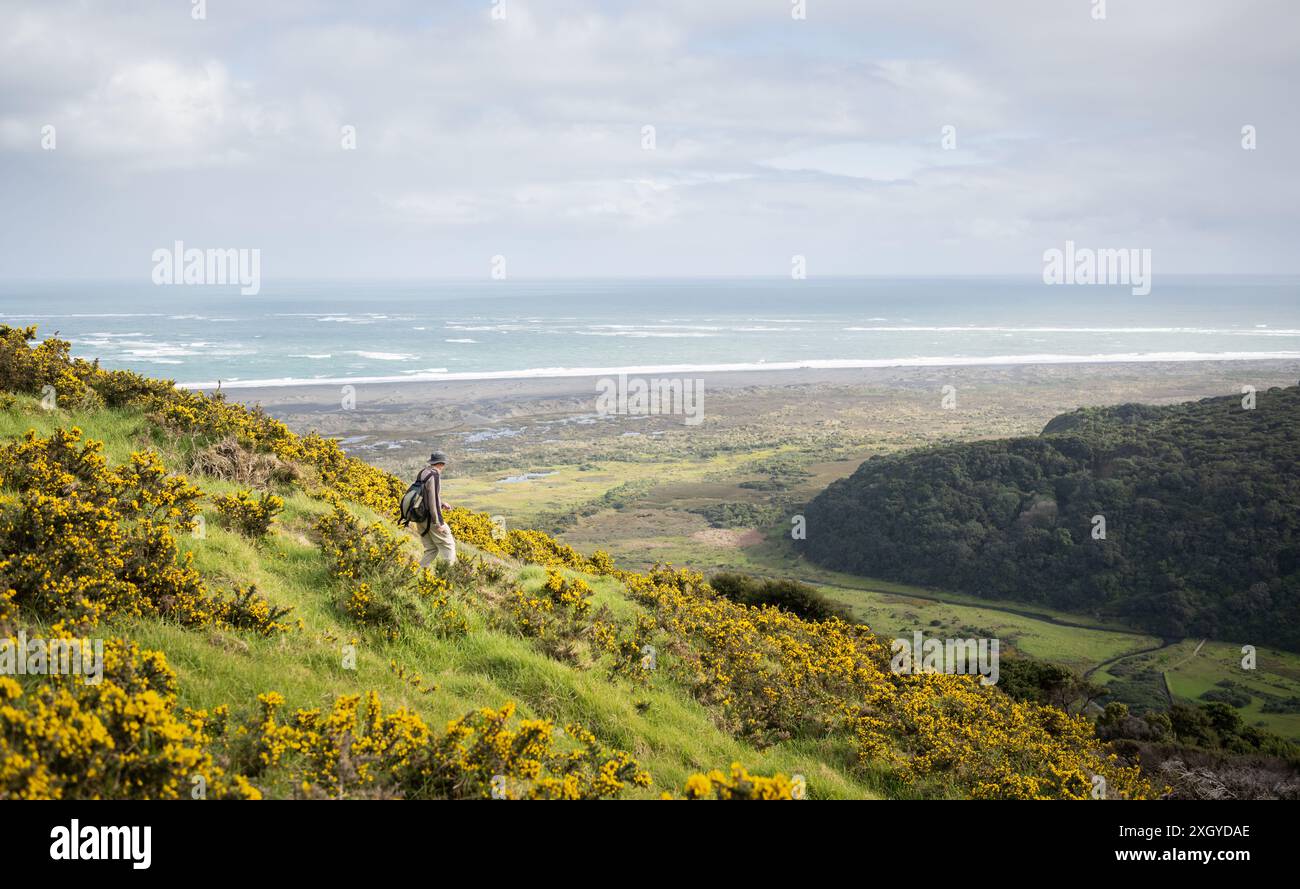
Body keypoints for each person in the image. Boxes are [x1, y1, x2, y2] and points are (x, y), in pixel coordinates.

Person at [416, 451, 456, 567]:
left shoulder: (423, 472)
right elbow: (432, 500)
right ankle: (448, 577)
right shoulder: (434, 475)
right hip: (430, 518)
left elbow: (424, 495)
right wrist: (438, 523)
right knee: (449, 546)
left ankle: (414, 574)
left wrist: (441, 503)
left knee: (431, 549)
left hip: (419, 516)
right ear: (441, 464)